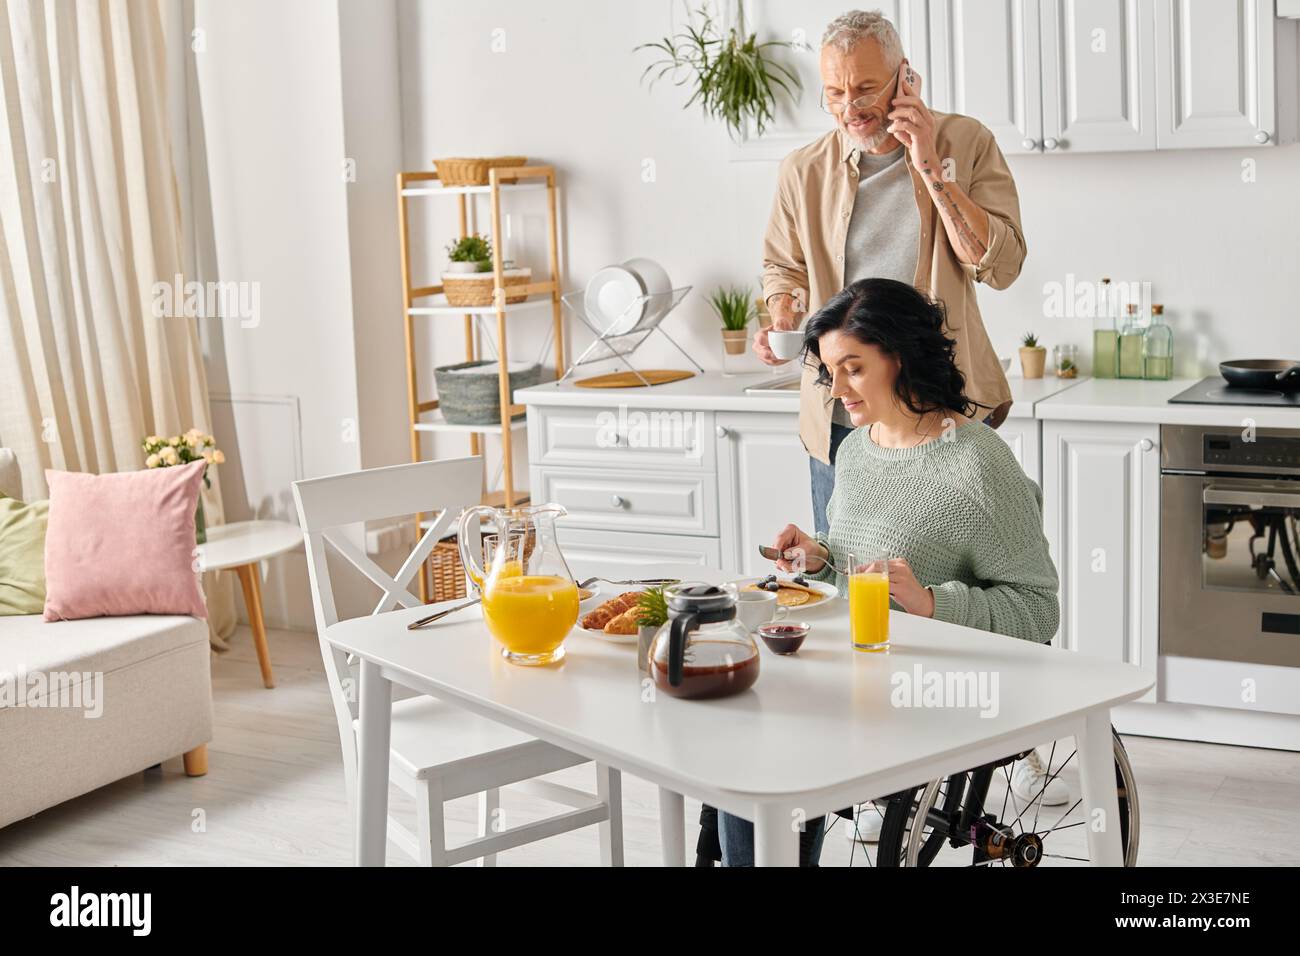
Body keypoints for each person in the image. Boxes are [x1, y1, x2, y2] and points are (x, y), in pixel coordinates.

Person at [718, 278, 1060, 867]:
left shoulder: (978, 462)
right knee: (733, 733)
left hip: (929, 682)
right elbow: (857, 559)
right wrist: (819, 556)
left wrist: (931, 603)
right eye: (830, 370)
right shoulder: (856, 448)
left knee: (773, 747)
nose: (838, 388)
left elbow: (1037, 608)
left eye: (853, 368)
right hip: (854, 663)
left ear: (899, 357)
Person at [753, 9, 1026, 538]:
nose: (849, 108)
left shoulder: (965, 143)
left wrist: (926, 162)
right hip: (843, 414)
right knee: (848, 576)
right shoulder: (802, 170)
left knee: (948, 581)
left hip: (942, 408)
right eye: (834, 92)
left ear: (905, 77)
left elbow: (1002, 265)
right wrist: (781, 309)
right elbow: (783, 266)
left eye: (865, 88)